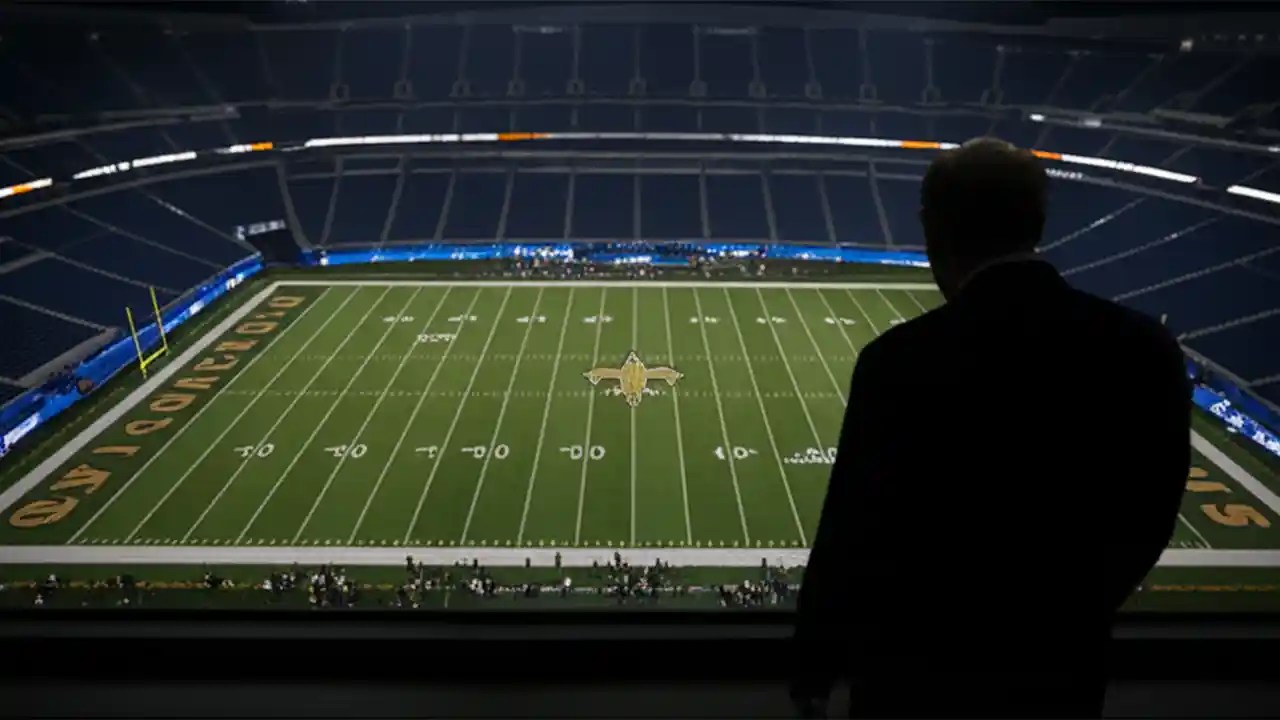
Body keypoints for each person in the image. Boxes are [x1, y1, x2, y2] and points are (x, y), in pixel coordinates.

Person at [792, 138, 1191, 719]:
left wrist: (815, 662)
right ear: (1038, 221)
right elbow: (1152, 512)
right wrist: (1074, 610)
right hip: (1058, 675)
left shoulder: (900, 359)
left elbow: (853, 529)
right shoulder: (1142, 347)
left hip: (912, 679)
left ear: (936, 231)